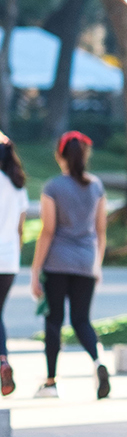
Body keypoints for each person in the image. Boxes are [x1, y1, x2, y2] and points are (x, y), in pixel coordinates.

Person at [29, 131, 107, 400]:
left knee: (54, 321)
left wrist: (35, 270)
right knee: (81, 320)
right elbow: (101, 231)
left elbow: (47, 231)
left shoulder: (52, 187)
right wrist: (97, 264)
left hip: (58, 262)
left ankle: (51, 382)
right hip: (86, 262)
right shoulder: (96, 186)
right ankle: (99, 361)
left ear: (59, 155)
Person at [0, 138, 23, 398]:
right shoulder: (17, 186)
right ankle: (3, 360)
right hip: (9, 261)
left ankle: (2, 361)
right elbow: (19, 229)